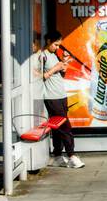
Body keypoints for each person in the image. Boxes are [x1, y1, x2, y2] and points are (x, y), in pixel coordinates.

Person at [34, 30, 82, 168]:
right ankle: (71, 155)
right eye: (55, 44)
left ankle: (57, 155)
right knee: (65, 126)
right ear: (48, 41)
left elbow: (59, 75)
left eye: (59, 45)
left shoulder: (54, 54)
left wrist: (63, 67)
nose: (57, 47)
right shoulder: (41, 56)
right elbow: (38, 76)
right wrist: (55, 68)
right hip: (51, 96)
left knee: (57, 125)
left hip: (61, 94)